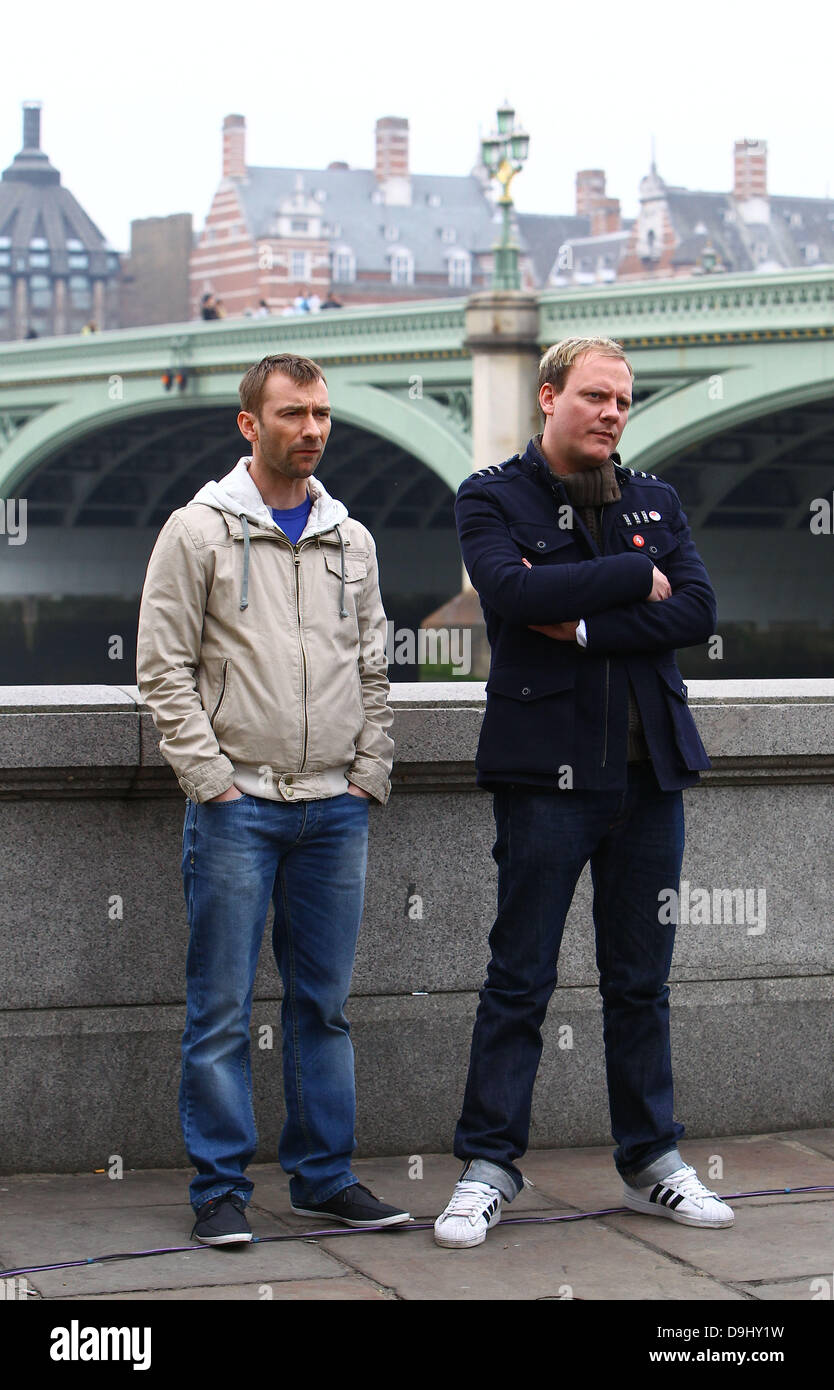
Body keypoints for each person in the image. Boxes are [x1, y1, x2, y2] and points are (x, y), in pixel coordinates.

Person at [434, 335, 734, 1249]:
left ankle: (653, 1161)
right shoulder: (491, 495)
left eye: (624, 402)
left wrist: (592, 623)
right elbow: (508, 594)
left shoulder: (657, 498)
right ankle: (488, 1167)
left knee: (640, 983)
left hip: (650, 778)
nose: (612, 414)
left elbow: (698, 610)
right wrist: (628, 584)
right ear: (549, 396)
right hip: (546, 776)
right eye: (596, 397)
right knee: (519, 977)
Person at [137, 353, 410, 1244]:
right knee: (219, 1009)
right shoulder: (197, 531)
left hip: (334, 807)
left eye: (322, 413)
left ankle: (323, 1178)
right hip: (237, 808)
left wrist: (371, 766)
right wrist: (209, 779)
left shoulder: (352, 539)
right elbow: (162, 668)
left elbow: (372, 663)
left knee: (322, 1007)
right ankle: (219, 1188)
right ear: (250, 425)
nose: (314, 429)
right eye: (294, 413)